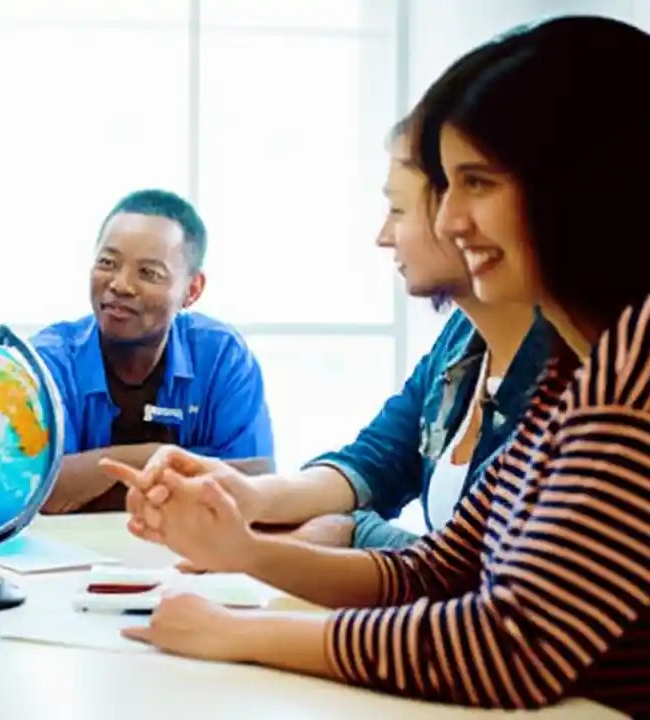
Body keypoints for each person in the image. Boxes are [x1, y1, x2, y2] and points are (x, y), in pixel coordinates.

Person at [111, 16, 650, 714]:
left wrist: (241, 632)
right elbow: (441, 567)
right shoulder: (572, 375)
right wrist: (241, 548)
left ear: (577, 183)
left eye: (475, 184)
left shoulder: (629, 373)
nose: (451, 220)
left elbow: (509, 647)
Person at [181, 117, 553, 553]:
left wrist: (354, 533)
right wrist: (251, 497)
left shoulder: (575, 372)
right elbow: (379, 459)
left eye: (398, 210)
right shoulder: (462, 337)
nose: (383, 236)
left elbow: (480, 571)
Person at [31, 189, 273, 514]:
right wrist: (158, 456)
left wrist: (90, 476)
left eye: (148, 273)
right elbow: (43, 492)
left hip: (193, 554)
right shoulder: (49, 361)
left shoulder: (222, 358)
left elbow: (255, 484)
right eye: (107, 262)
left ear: (192, 290)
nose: (120, 285)